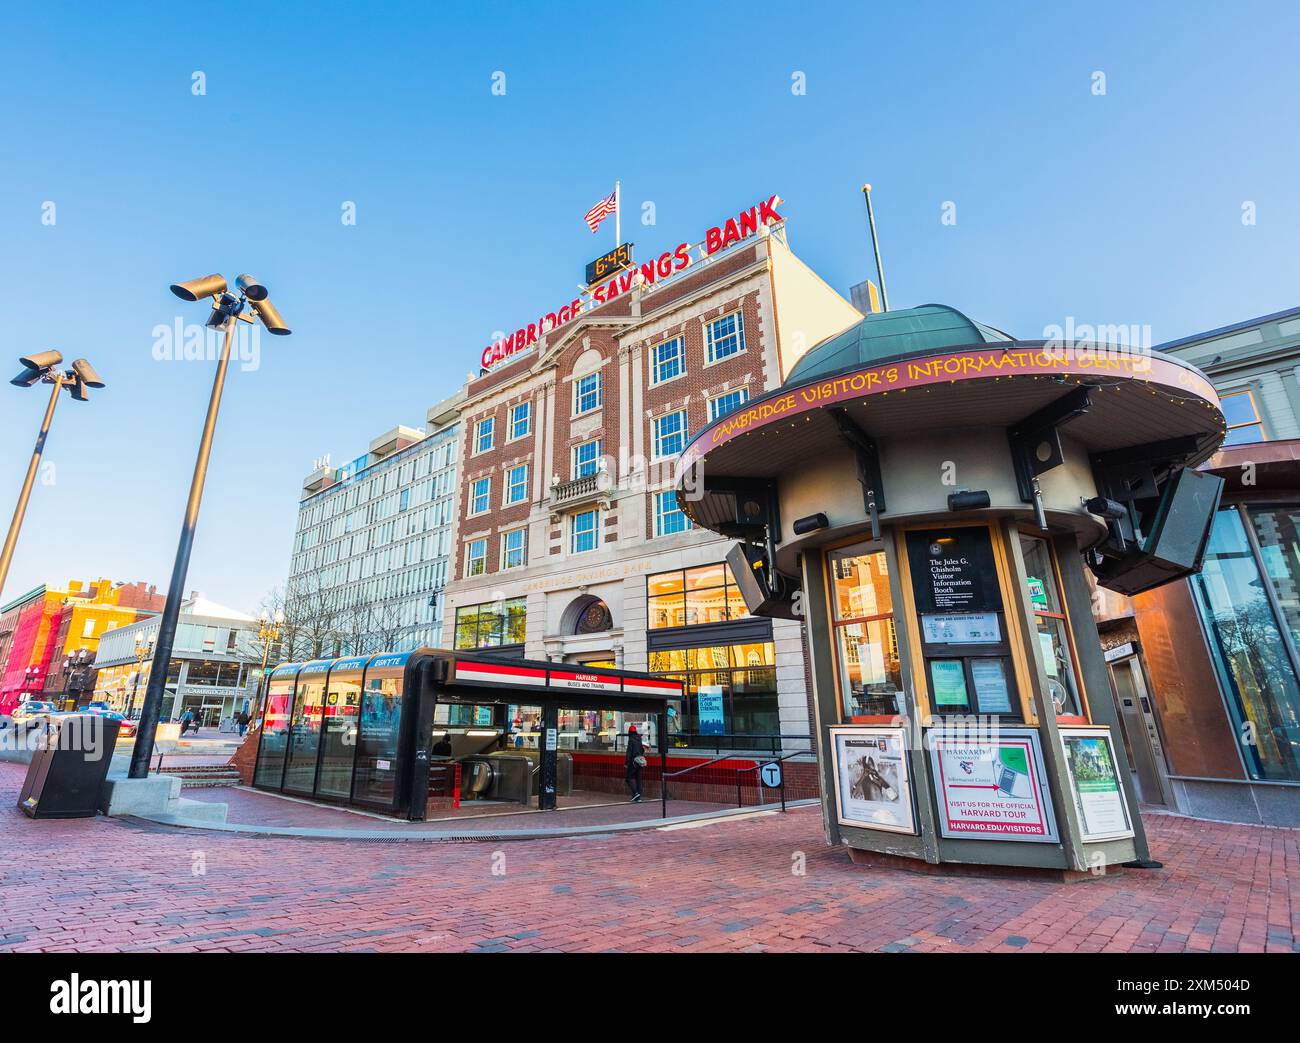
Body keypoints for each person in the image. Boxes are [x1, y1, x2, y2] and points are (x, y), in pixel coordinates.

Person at [625, 724, 646, 803]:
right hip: (640, 761)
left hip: (633, 761)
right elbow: (642, 750)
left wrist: (626, 762)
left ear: (629, 732)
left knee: (629, 778)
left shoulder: (631, 740)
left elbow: (629, 752)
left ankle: (636, 793)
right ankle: (638, 797)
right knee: (638, 779)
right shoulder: (639, 739)